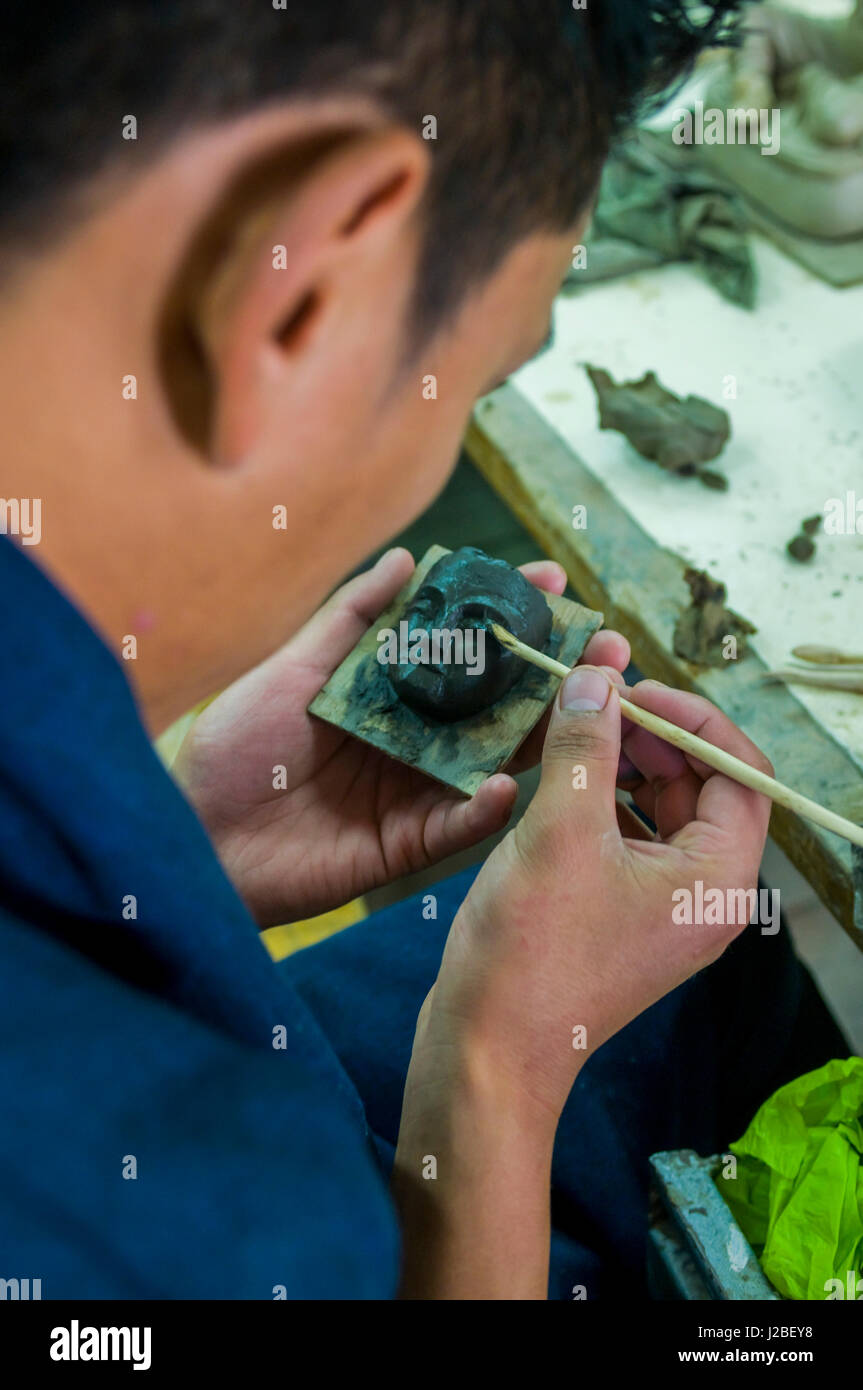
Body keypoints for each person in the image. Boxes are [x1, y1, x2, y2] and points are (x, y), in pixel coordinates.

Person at [0, 0, 846, 1300]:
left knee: (720, 958)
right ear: (308, 293)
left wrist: (169, 861)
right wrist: (499, 1072)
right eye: (478, 380)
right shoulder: (169, 1226)